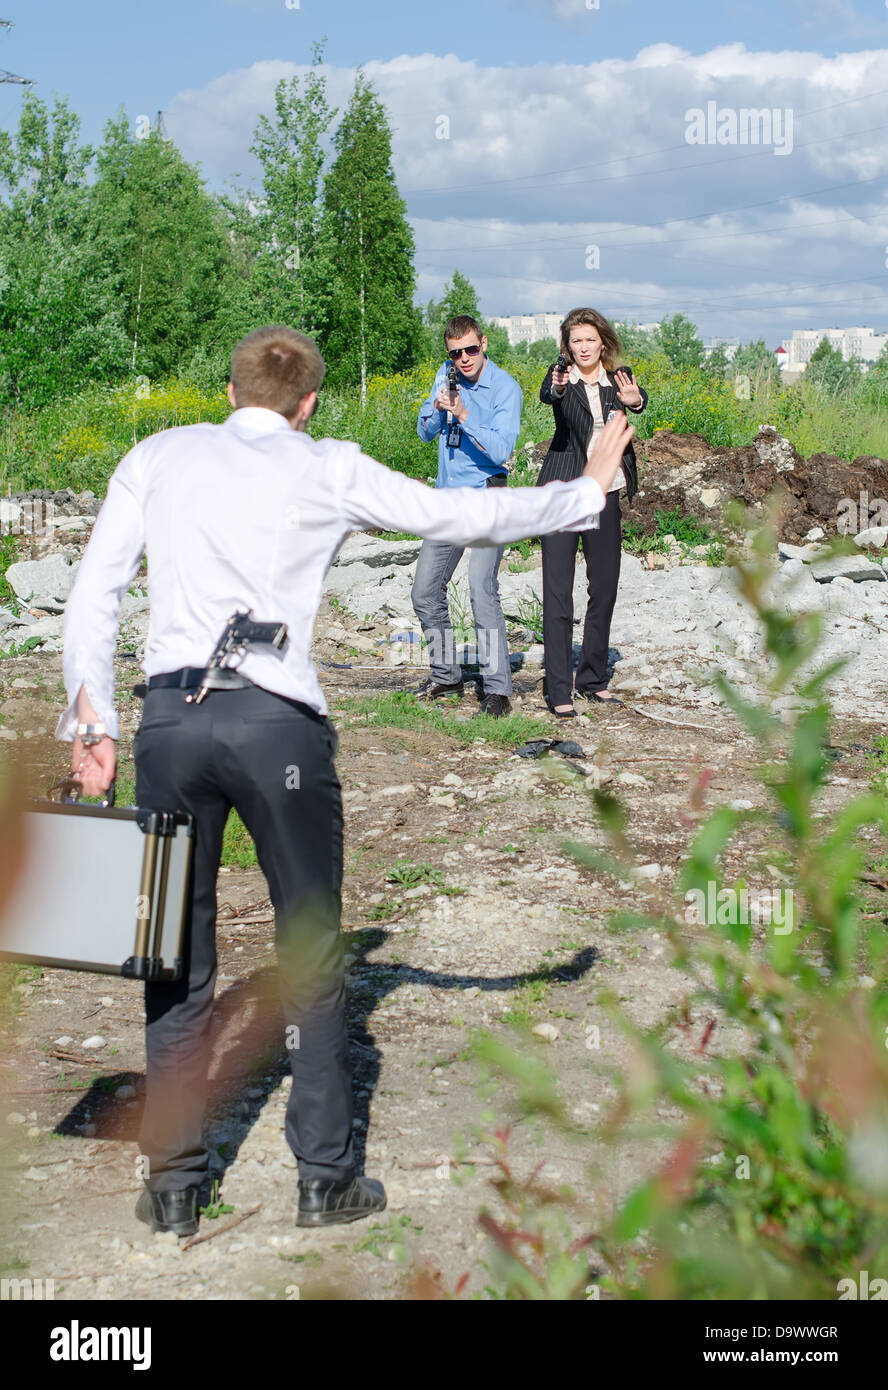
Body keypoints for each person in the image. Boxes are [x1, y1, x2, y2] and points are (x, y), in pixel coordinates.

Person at [58, 325, 633, 1238]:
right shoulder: (328, 465)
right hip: (275, 721)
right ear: (309, 402)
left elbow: (96, 589)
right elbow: (457, 516)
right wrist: (585, 494)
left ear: (231, 388)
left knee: (172, 950)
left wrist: (88, 722)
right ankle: (324, 1180)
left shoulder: (158, 455)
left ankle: (173, 1182)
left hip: (170, 721)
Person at [537, 308, 648, 718]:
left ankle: (592, 678)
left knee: (604, 588)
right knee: (557, 592)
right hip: (564, 494)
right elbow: (552, 394)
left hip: (606, 493)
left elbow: (636, 399)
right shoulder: (561, 378)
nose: (583, 347)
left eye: (589, 339)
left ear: (603, 341)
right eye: (575, 341)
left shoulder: (617, 381)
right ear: (567, 346)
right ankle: (559, 688)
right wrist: (557, 387)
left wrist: (636, 402)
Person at [413, 315, 522, 717]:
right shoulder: (445, 374)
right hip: (448, 501)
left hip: (487, 499)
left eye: (470, 350)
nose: (463, 359)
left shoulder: (505, 389)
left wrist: (463, 415)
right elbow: (424, 432)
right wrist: (441, 411)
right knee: (424, 592)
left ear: (484, 344)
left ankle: (497, 691)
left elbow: (499, 452)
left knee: (480, 587)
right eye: (455, 353)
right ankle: (447, 676)